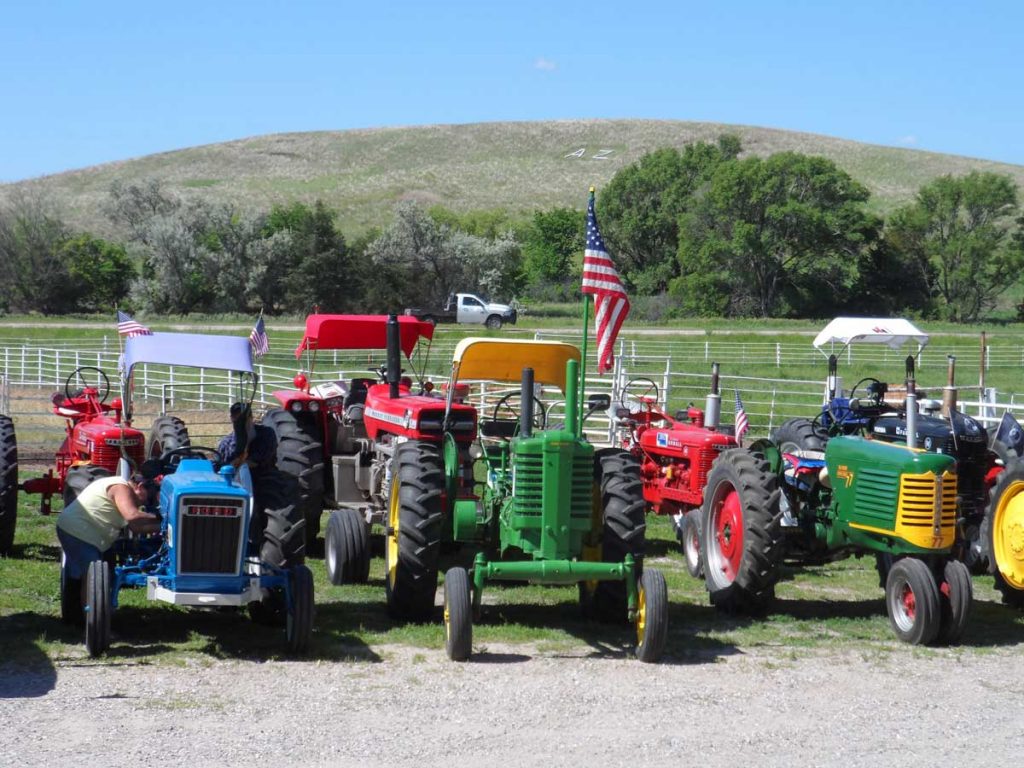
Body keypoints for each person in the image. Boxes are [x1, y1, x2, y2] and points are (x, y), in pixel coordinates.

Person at [56, 472, 161, 583]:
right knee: (93, 579)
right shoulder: (120, 487)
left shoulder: (122, 488)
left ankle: (80, 597)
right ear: (140, 487)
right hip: (79, 532)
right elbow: (132, 516)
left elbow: (136, 527)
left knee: (102, 573)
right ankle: (88, 600)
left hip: (79, 530)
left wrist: (165, 528)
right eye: (149, 499)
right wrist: (164, 518)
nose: (145, 503)